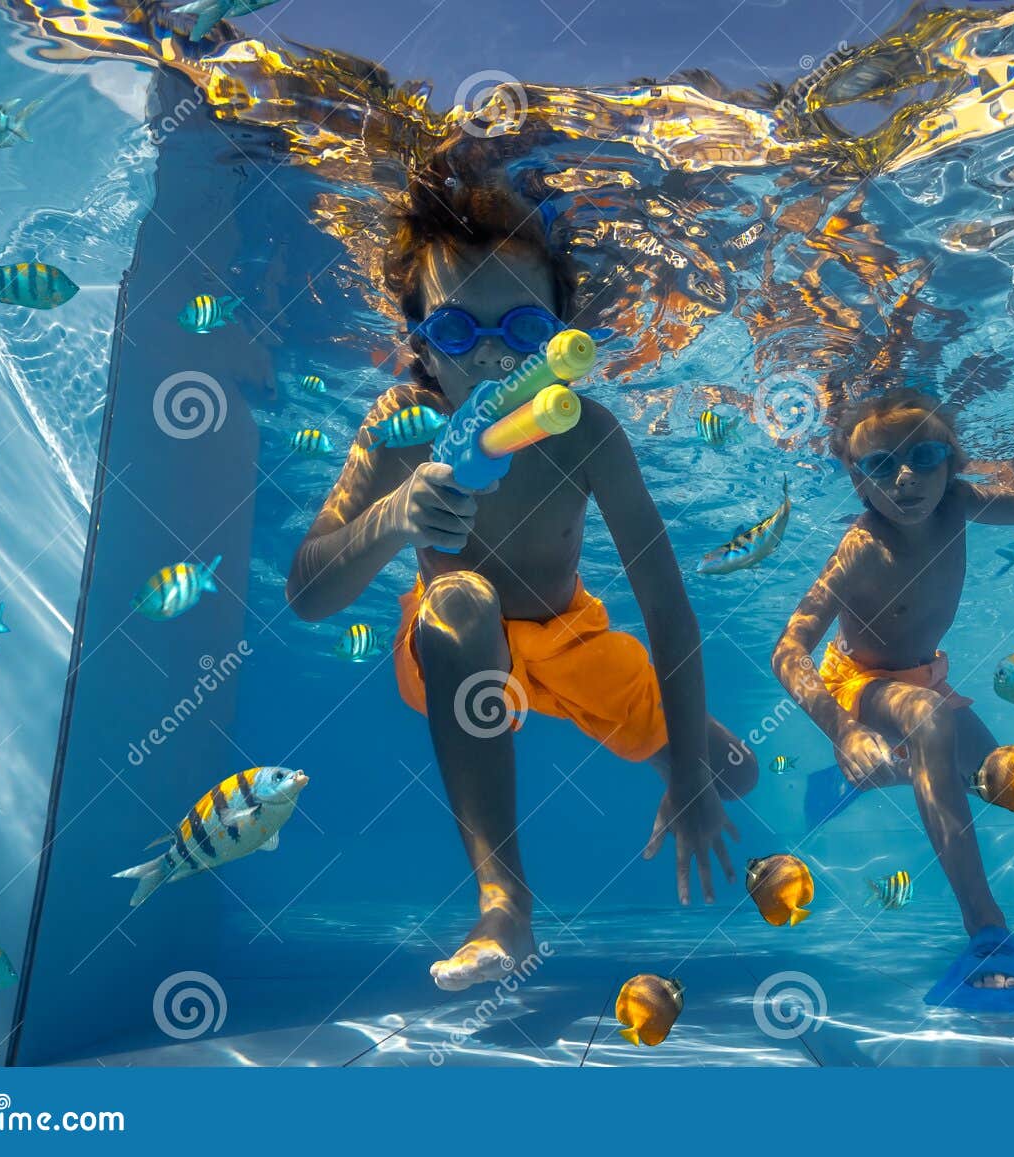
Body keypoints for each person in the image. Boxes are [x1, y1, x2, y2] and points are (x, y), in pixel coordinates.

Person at [287, 153, 755, 992]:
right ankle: (504, 903)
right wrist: (394, 518)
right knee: (459, 598)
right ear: (421, 338)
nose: (496, 363)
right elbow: (309, 594)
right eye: (462, 332)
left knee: (733, 772)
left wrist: (688, 779)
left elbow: (670, 614)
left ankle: (672, 767)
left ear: (562, 338)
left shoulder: (587, 434)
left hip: (572, 637)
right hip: (455, 649)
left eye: (526, 335)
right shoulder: (398, 425)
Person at [769, 388, 1014, 1010]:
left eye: (924, 456)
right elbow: (787, 651)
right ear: (859, 480)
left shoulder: (957, 504)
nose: (905, 478)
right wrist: (842, 729)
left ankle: (874, 776)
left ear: (952, 462)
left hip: (925, 677)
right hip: (862, 684)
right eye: (880, 466)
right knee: (927, 721)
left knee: (1006, 785)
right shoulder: (860, 549)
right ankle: (985, 927)